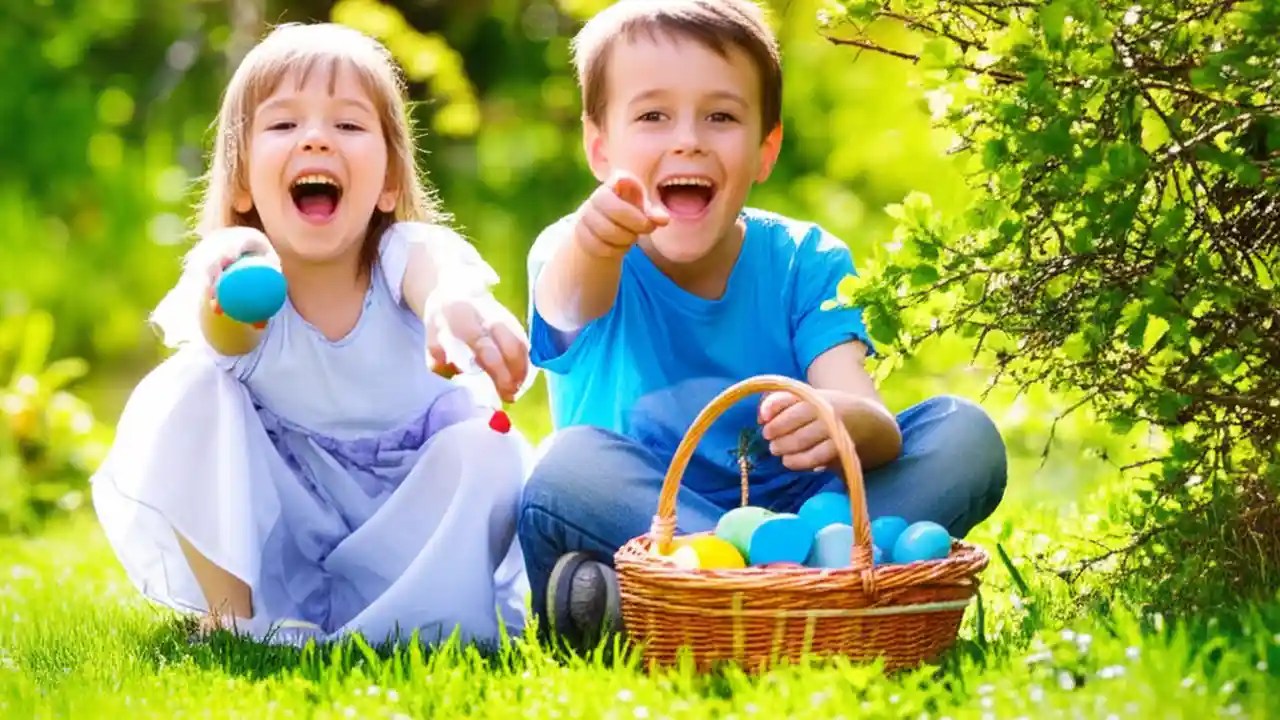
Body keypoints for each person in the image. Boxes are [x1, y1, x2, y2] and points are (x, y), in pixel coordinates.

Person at [517, 0, 1008, 651]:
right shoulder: (578, 250)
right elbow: (568, 305)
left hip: (810, 523)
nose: (687, 139)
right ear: (600, 147)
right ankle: (800, 599)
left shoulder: (806, 261)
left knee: (964, 437)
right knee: (565, 467)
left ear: (764, 149)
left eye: (720, 116)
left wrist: (839, 419)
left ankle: (700, 611)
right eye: (652, 116)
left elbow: (875, 426)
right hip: (655, 521)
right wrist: (597, 242)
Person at [91, 22, 535, 649]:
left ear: (387, 183)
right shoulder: (243, 261)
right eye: (283, 126)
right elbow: (225, 337)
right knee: (189, 387)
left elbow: (435, 278)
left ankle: (416, 623)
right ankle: (235, 621)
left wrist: (451, 306)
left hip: (405, 523)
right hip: (285, 530)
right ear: (244, 181)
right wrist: (232, 304)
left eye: (349, 126)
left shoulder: (401, 256)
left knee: (485, 450)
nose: (318, 140)